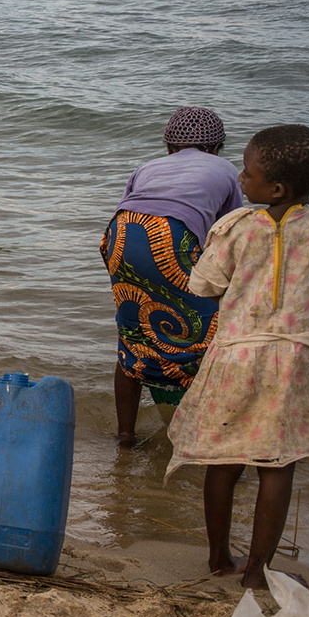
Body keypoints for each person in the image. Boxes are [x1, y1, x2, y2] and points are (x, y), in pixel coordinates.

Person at [165, 123, 309, 591]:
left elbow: (203, 284)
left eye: (247, 173)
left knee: (223, 460)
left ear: (275, 188)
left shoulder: (235, 227)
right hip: (293, 360)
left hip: (235, 354)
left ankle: (218, 557)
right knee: (277, 464)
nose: (239, 177)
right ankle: (257, 571)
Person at [102, 107, 244, 444]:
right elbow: (228, 234)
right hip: (172, 235)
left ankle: (125, 435)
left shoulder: (147, 167)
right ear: (217, 147)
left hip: (120, 233)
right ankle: (207, 438)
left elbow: (127, 211)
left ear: (168, 146)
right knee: (205, 335)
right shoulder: (226, 169)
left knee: (133, 333)